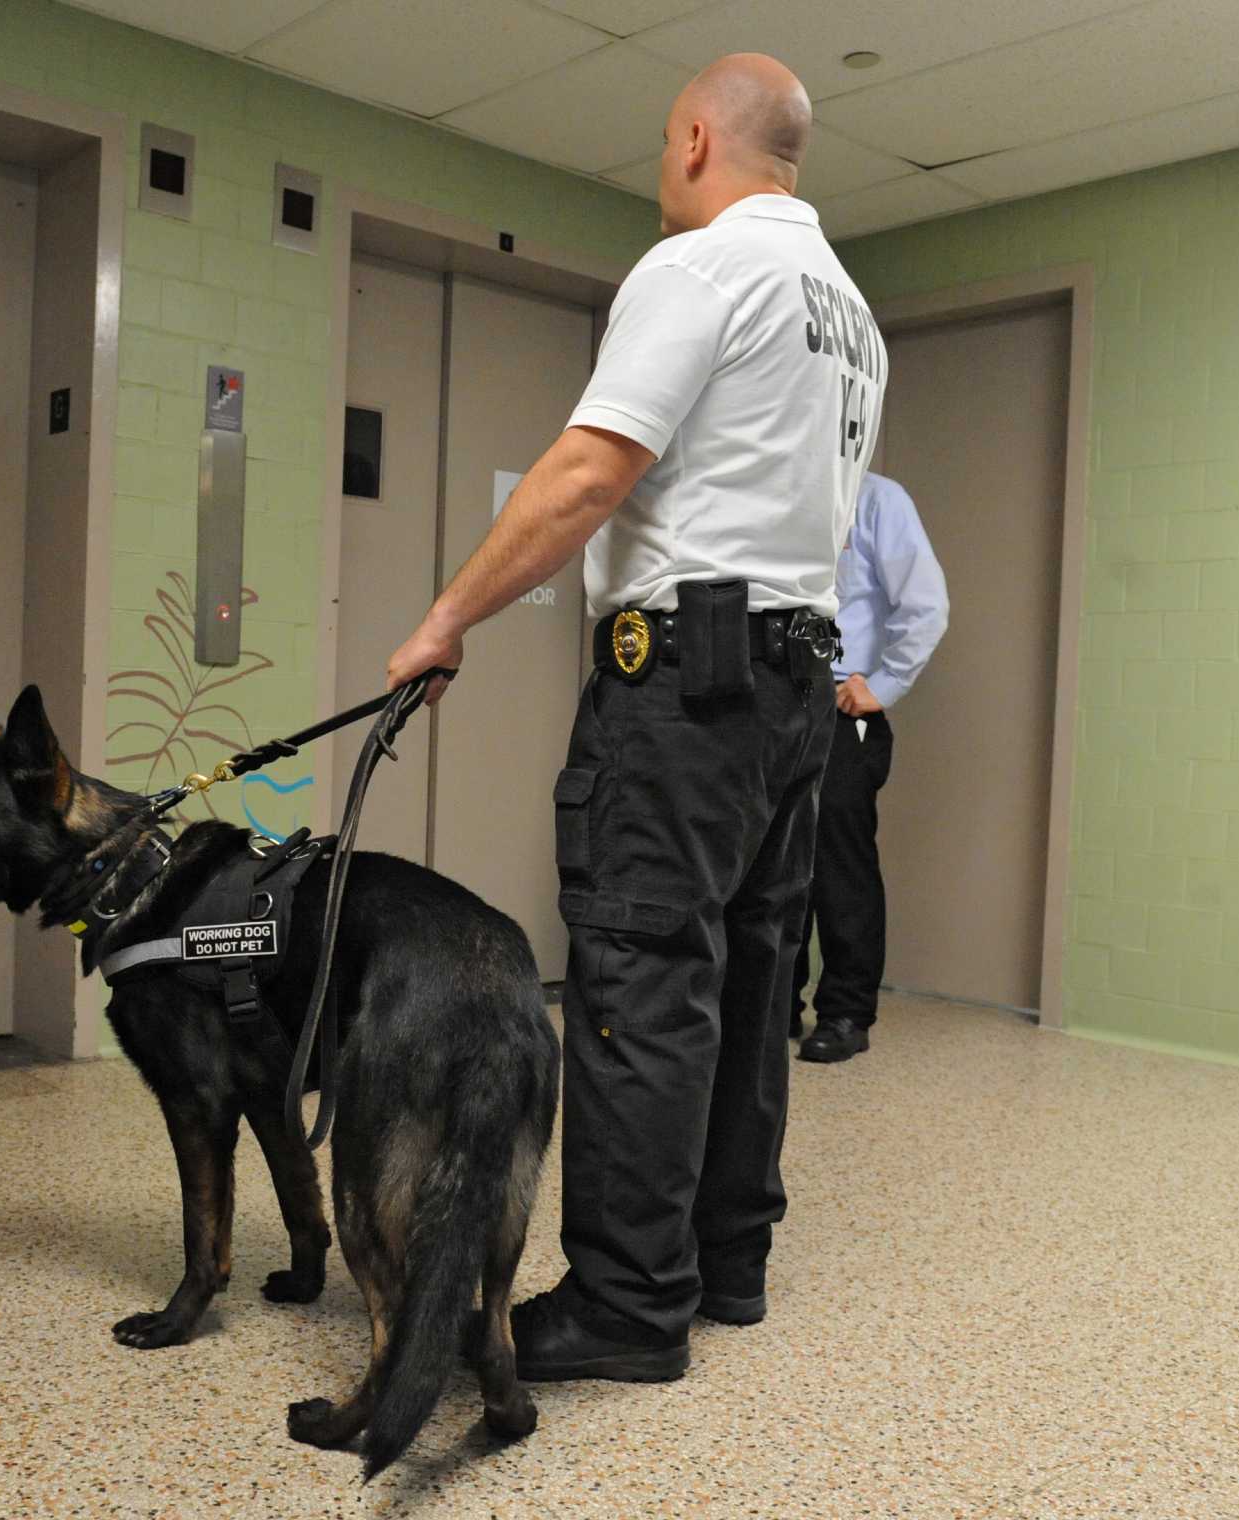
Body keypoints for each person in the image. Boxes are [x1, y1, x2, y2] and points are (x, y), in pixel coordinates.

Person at [387, 52, 885, 1382]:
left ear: (694, 145)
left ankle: (625, 1306)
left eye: (666, 146)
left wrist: (449, 618)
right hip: (792, 688)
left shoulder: (700, 268)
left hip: (688, 691)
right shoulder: (849, 311)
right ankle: (727, 1266)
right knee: (752, 972)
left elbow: (590, 472)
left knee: (644, 976)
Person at [790, 471, 948, 1063]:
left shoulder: (879, 500)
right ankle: (776, 1002)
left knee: (838, 863)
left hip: (839, 703)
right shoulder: (780, 484)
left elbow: (926, 603)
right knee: (771, 858)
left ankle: (846, 1012)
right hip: (775, 703)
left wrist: (883, 684)